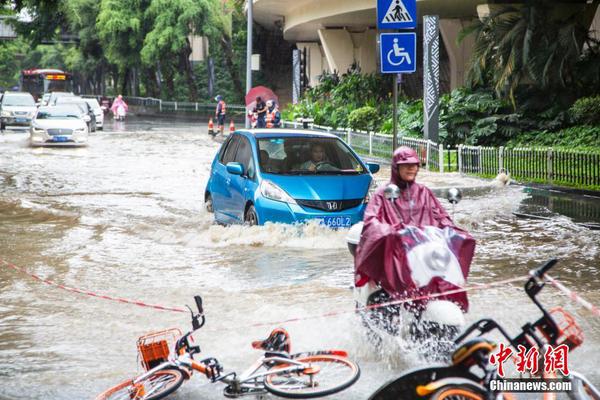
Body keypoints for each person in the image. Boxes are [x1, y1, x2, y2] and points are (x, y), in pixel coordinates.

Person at [354, 146, 475, 312]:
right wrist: (389, 231)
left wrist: (454, 231)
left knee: (442, 281)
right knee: (387, 299)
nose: (411, 168)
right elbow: (371, 221)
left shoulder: (424, 192)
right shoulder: (383, 193)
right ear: (396, 167)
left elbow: (440, 217)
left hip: (422, 253)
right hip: (395, 254)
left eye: (415, 164)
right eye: (406, 165)